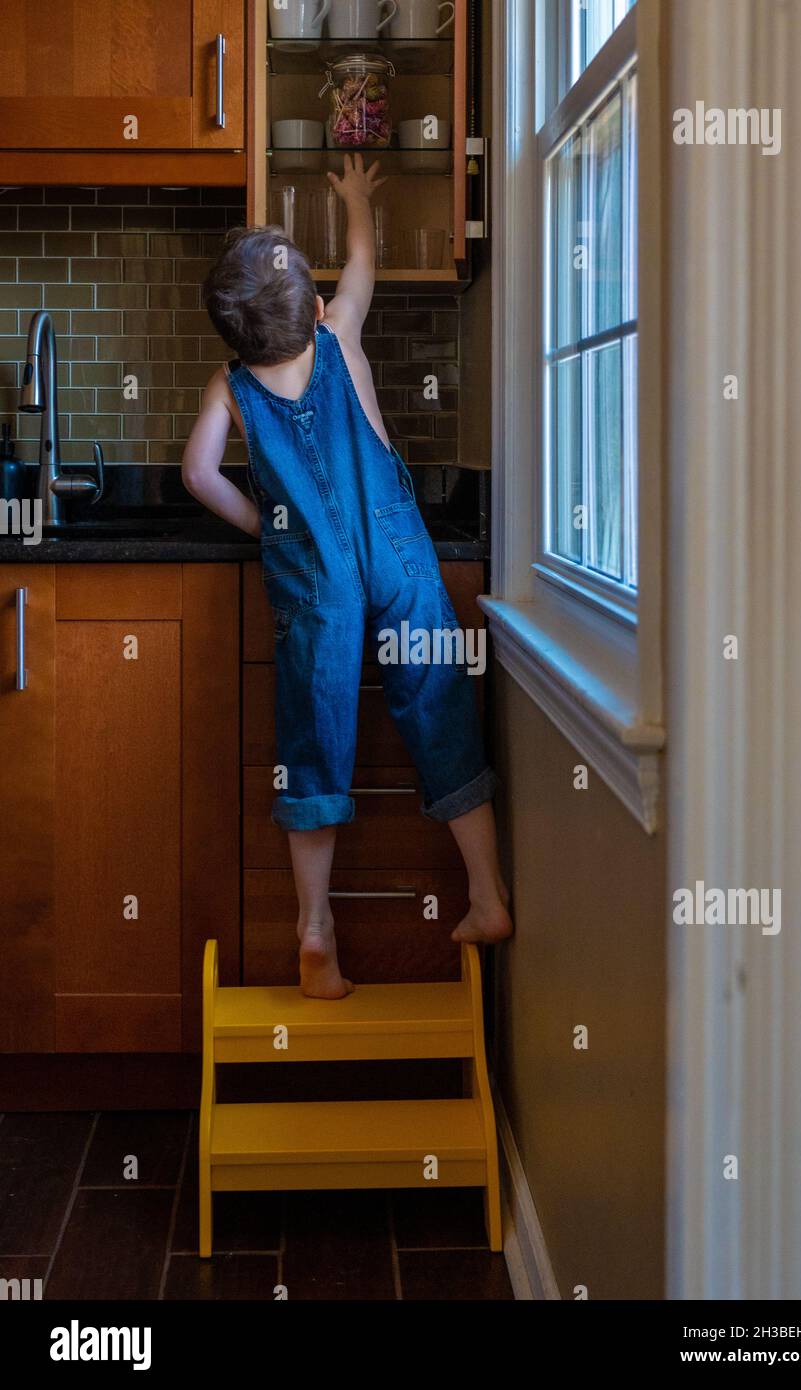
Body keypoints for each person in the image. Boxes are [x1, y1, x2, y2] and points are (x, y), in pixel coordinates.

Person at [182, 155, 513, 998]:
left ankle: (316, 933)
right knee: (438, 712)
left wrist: (266, 523)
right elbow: (361, 261)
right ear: (317, 308)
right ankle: (486, 894)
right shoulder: (341, 338)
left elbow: (196, 476)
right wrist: (358, 203)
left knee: (311, 749)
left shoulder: (230, 388)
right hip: (401, 566)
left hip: (314, 590)